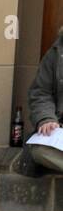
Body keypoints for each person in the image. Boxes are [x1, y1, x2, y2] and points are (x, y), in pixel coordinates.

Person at [25, 26, 63, 173]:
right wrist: (47, 118)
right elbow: (41, 92)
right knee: (40, 150)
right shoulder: (55, 54)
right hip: (60, 129)